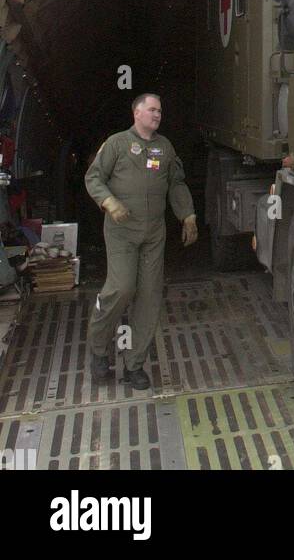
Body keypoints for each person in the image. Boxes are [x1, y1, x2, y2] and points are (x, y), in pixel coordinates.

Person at [85, 93, 197, 389]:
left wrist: (187, 215)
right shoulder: (117, 144)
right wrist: (109, 201)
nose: (157, 114)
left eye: (160, 110)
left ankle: (134, 365)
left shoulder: (165, 147)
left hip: (153, 233)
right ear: (136, 113)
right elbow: (93, 177)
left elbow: (176, 183)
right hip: (122, 230)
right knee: (122, 288)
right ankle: (98, 348)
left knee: (149, 297)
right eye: (151, 109)